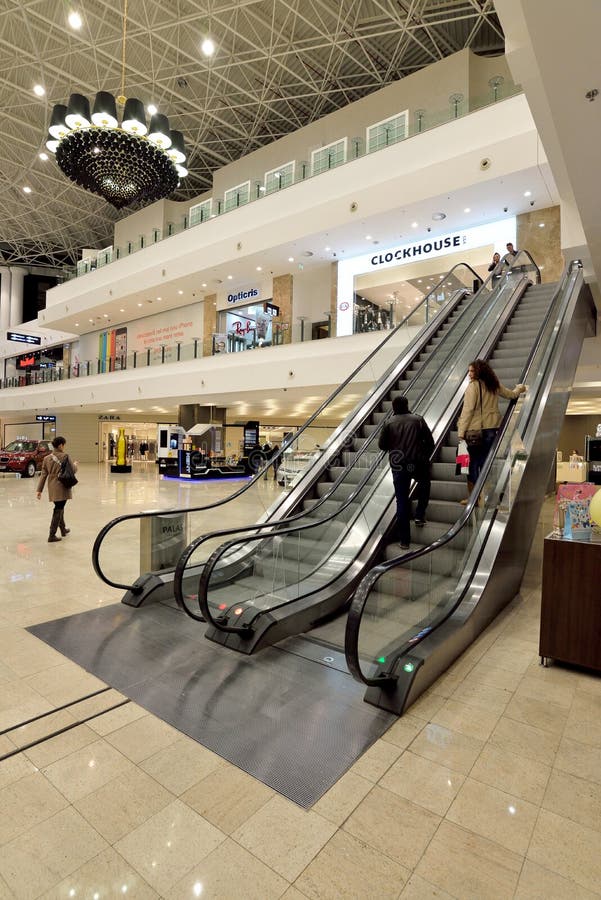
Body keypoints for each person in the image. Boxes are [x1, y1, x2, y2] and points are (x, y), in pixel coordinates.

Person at [457, 359, 526, 504]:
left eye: (472, 371)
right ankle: (484, 496)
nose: (469, 374)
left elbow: (468, 410)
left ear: (479, 371)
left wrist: (461, 431)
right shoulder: (493, 384)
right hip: (491, 430)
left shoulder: (473, 387)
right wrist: (520, 389)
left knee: (471, 465)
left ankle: (474, 498)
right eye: (469, 371)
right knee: (485, 463)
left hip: (475, 431)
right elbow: (511, 395)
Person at [378, 395, 434, 549]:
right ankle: (420, 515)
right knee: (424, 484)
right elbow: (430, 442)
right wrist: (423, 456)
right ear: (407, 405)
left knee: (401, 500)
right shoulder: (418, 420)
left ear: (393, 408)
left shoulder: (388, 423)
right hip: (417, 463)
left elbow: (382, 445)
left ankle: (404, 541)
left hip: (399, 466)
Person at [36, 435, 78, 542]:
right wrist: (75, 464)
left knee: (60, 507)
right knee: (58, 509)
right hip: (62, 486)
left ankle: (63, 529)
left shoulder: (46, 458)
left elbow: (43, 475)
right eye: (63, 445)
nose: (64, 447)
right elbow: (73, 470)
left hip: (52, 487)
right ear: (60, 445)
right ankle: (52, 534)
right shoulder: (65, 456)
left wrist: (39, 490)